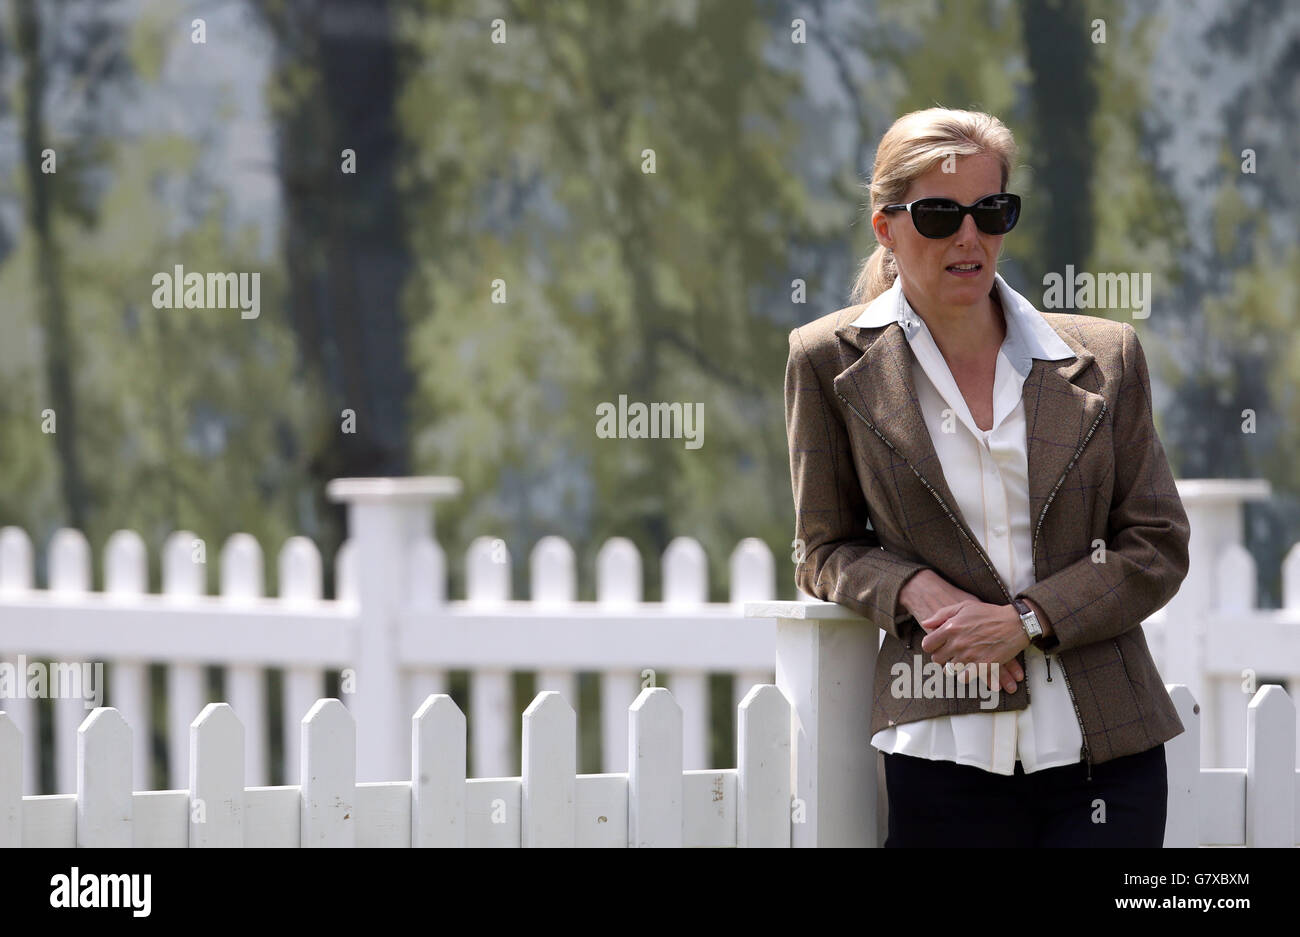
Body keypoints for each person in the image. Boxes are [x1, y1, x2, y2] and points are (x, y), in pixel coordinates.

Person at [783, 107, 1190, 847]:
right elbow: (822, 548)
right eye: (939, 215)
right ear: (885, 226)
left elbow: (1156, 543)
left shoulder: (1107, 354)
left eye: (990, 211)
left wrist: (1025, 621)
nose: (969, 237)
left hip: (1108, 751)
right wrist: (910, 589)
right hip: (942, 755)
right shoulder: (825, 360)